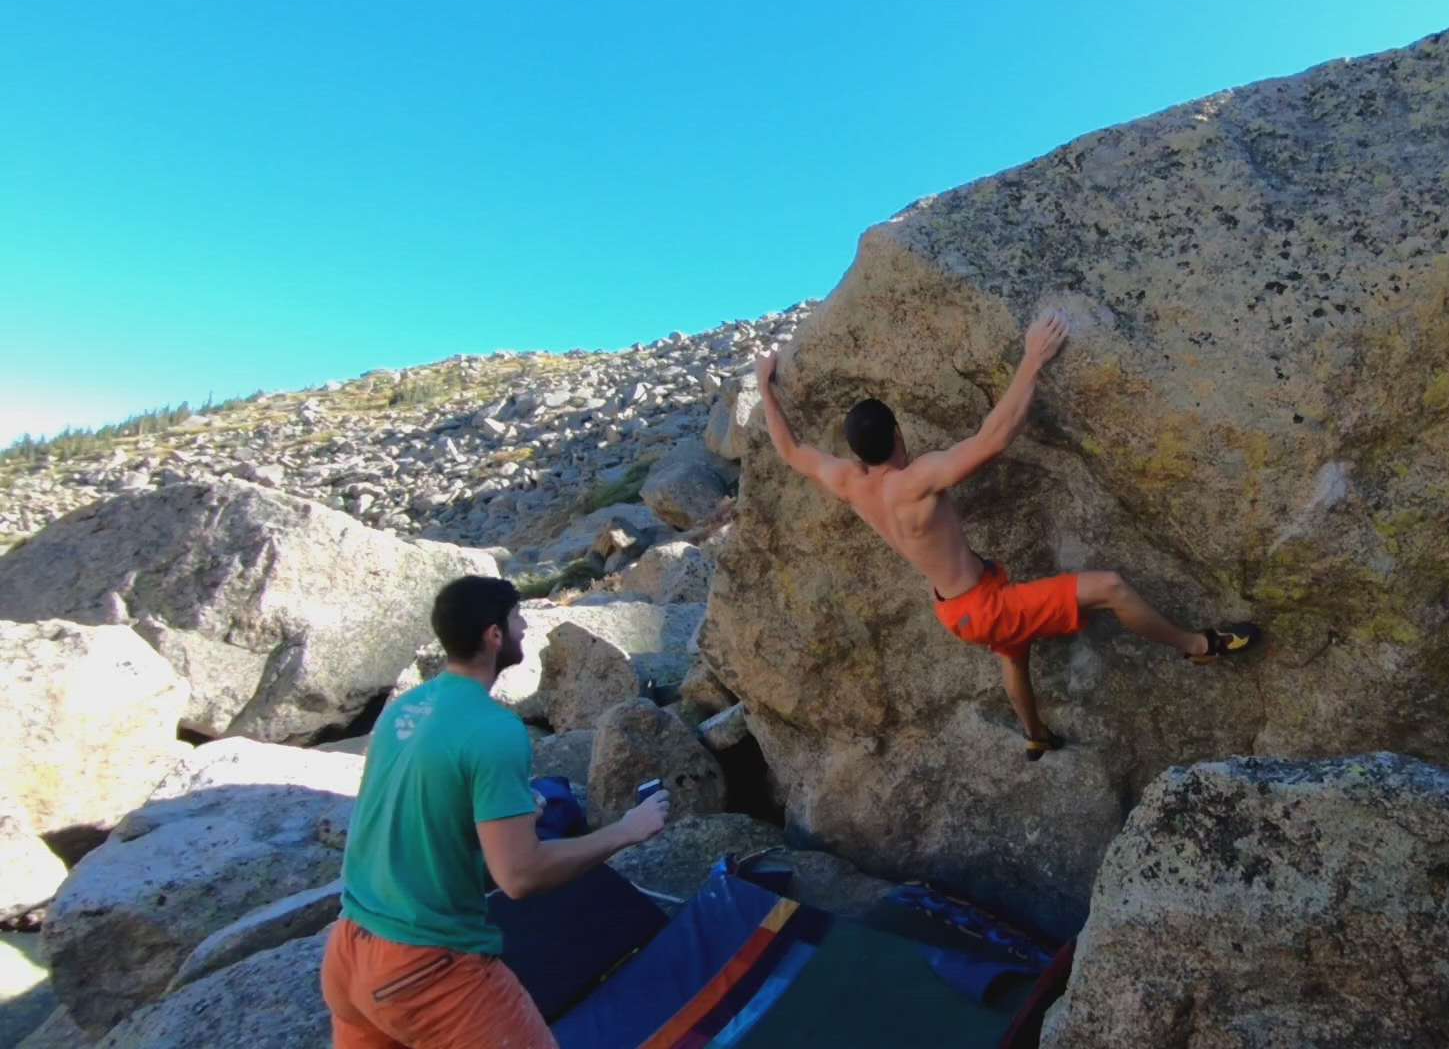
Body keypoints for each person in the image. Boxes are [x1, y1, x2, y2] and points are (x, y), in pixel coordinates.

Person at [755, 311, 1261, 762]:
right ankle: (1196, 644)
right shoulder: (915, 480)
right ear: (899, 435)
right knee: (1109, 587)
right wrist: (1033, 359)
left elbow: (791, 451)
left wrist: (764, 386)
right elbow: (993, 439)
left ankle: (1035, 734)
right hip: (986, 606)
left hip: (962, 610)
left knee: (1012, 652)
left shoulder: (849, 483)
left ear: (856, 450)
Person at [321, 575, 671, 1049]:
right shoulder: (495, 730)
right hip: (426, 966)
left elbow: (417, 806)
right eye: (516, 617)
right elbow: (520, 876)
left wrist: (513, 810)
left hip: (350, 952)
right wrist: (626, 831)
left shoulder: (407, 709)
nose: (524, 625)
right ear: (494, 635)